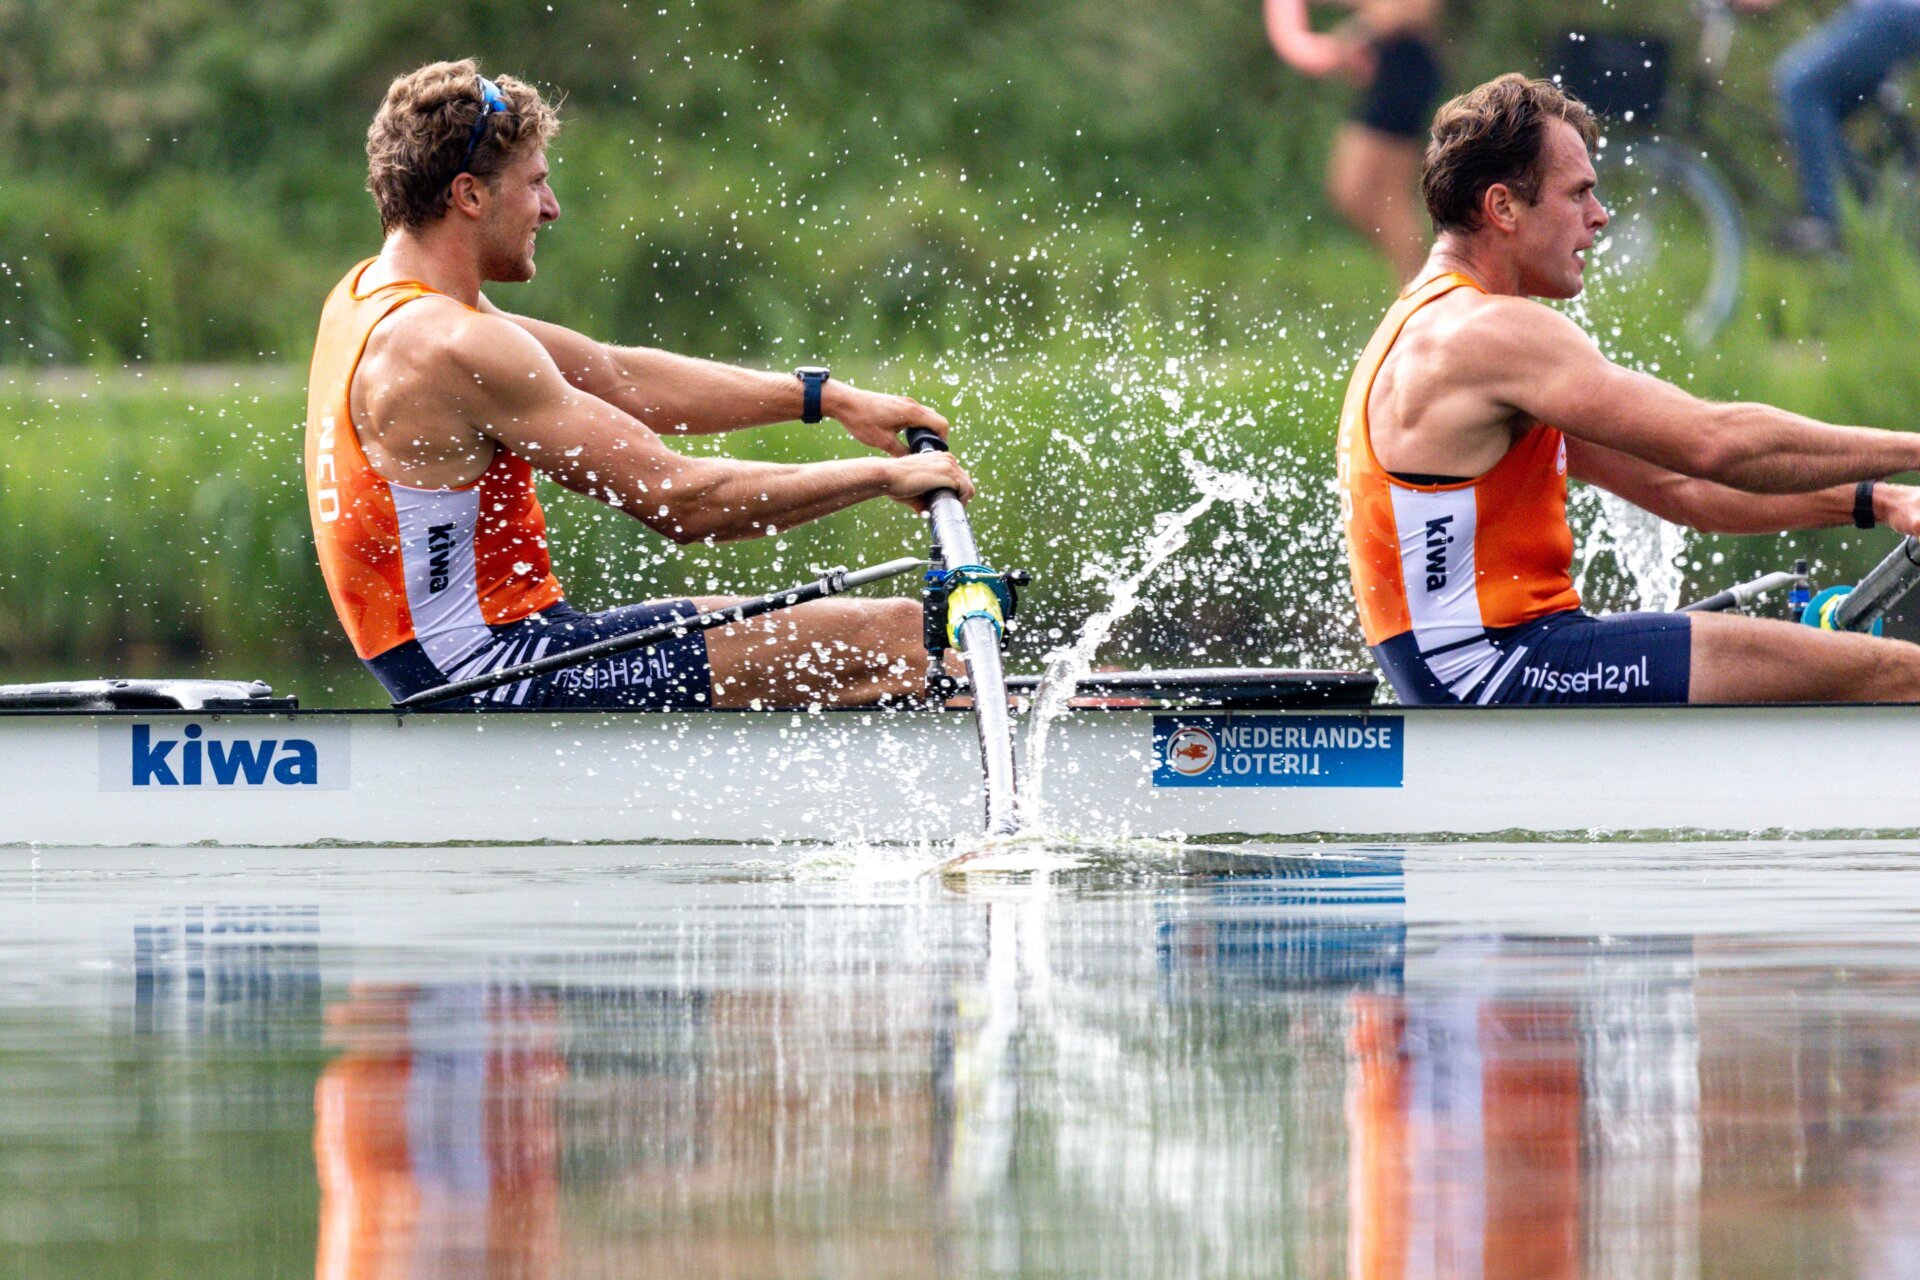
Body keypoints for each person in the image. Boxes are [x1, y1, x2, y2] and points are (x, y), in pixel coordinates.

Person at [305, 61, 972, 710]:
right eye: (535, 183)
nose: (551, 208)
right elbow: (684, 502)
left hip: (494, 652)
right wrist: (881, 477)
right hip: (486, 672)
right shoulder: (450, 345)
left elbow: (615, 376)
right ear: (469, 195)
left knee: (886, 652)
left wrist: (826, 399)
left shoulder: (374, 295)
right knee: (899, 639)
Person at [1337, 73, 1920, 705]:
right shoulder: (1485, 332)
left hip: (1478, 668)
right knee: (1901, 673)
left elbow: (1682, 488)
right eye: (1578, 194)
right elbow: (1714, 444)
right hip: (1499, 666)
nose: (1600, 216)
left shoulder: (1426, 324)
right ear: (1502, 207)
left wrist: (1880, 500)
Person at [1264, 0, 1444, 282]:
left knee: (1385, 197)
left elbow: (1411, 10)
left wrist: (1347, 39)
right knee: (1360, 195)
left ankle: (1423, 285)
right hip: (1394, 67)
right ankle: (1421, 281)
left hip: (1405, 68)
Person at [1736, 0, 1920, 253]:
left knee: (1799, 87)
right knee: (1815, 118)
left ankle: (1824, 221)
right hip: (1892, 13)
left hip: (1897, 11)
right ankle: (1868, 211)